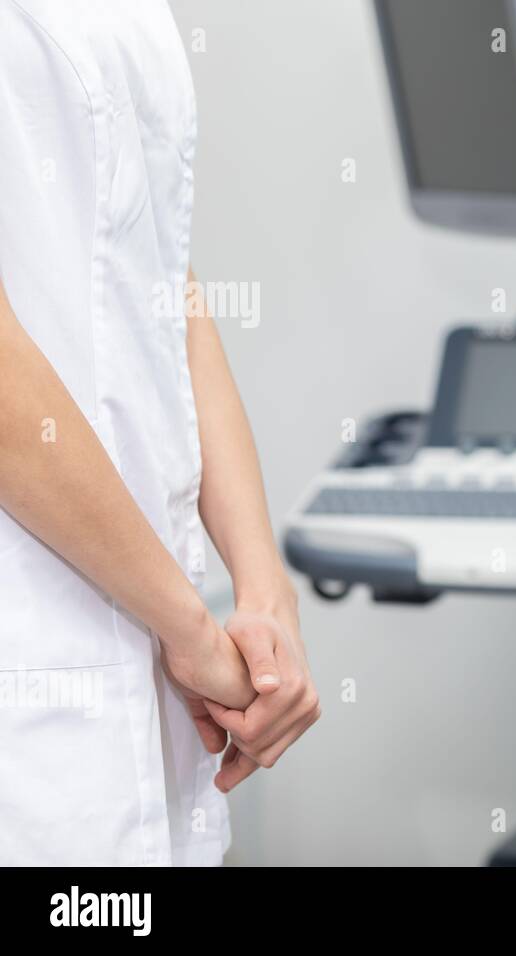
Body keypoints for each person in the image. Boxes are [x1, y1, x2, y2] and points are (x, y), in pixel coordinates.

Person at [0, 0, 318, 864]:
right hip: (34, 669)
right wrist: (191, 633)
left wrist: (263, 592)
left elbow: (160, 275)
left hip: (159, 657)